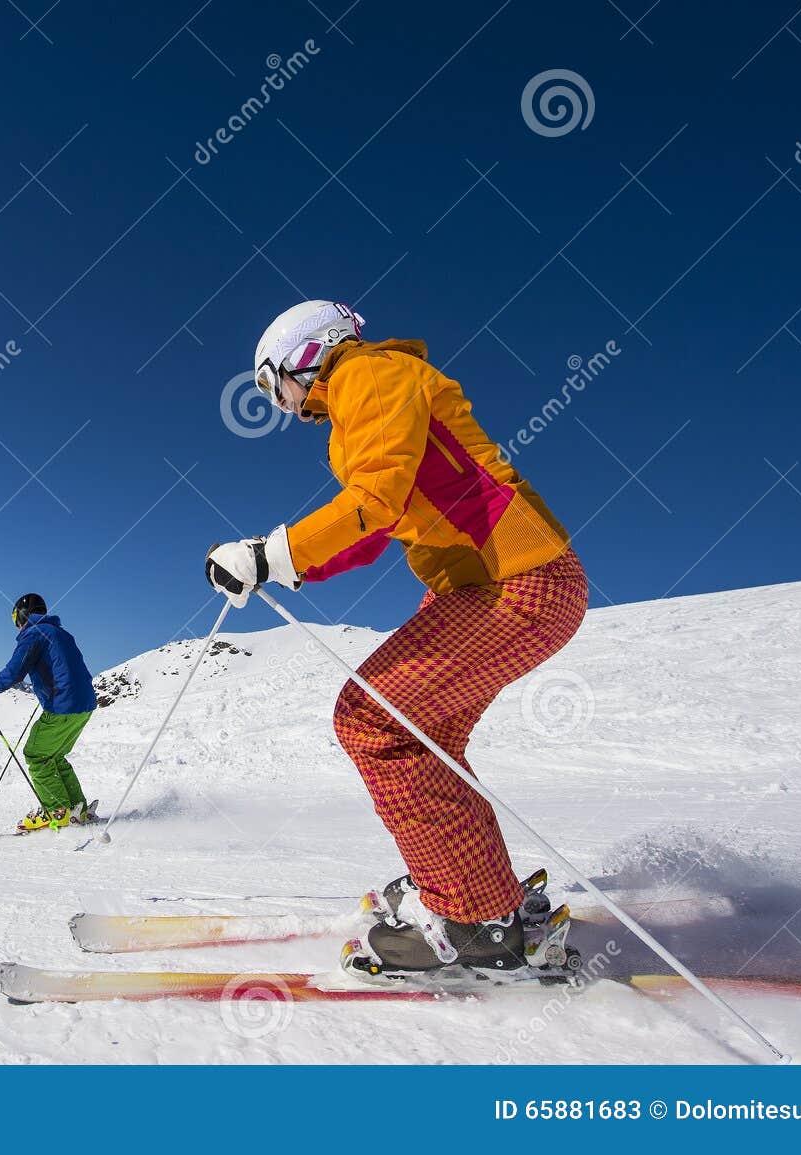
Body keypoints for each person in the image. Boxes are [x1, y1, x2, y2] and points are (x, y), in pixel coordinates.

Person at [204, 300, 588, 975]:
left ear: (305, 354)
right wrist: (283, 563)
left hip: (515, 576)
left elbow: (377, 497)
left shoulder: (367, 375)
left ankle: (477, 923)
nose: (280, 401)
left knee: (372, 720)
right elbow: (373, 526)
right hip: (484, 582)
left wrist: (272, 552)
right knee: (420, 734)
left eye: (272, 383)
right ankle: (476, 894)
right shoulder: (355, 408)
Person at [0, 593, 99, 831]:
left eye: (15, 618)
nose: (16, 625)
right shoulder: (61, 633)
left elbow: (14, 672)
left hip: (63, 706)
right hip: (84, 705)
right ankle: (78, 809)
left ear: (22, 615)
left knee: (36, 755)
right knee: (54, 756)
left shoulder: (33, 634)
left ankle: (58, 811)